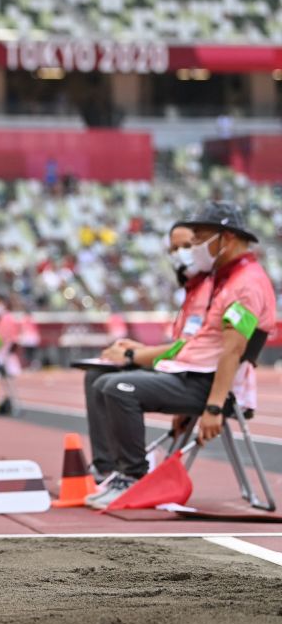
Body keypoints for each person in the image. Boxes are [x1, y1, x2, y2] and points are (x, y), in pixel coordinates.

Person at [84, 202, 276, 509]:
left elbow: (233, 350)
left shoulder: (247, 284)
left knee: (118, 387)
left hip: (207, 384)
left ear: (225, 238)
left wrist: (213, 406)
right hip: (191, 374)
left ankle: (132, 477)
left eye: (199, 238)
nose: (196, 246)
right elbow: (200, 344)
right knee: (104, 382)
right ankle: (119, 473)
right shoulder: (227, 278)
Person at [83, 222, 212, 484]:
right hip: (181, 368)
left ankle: (132, 475)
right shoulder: (192, 289)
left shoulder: (213, 289)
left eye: (187, 246)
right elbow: (181, 345)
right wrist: (139, 350)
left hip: (196, 377)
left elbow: (189, 349)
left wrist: (133, 357)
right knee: (97, 373)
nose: (180, 253)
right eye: (174, 248)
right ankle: (106, 468)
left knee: (115, 384)